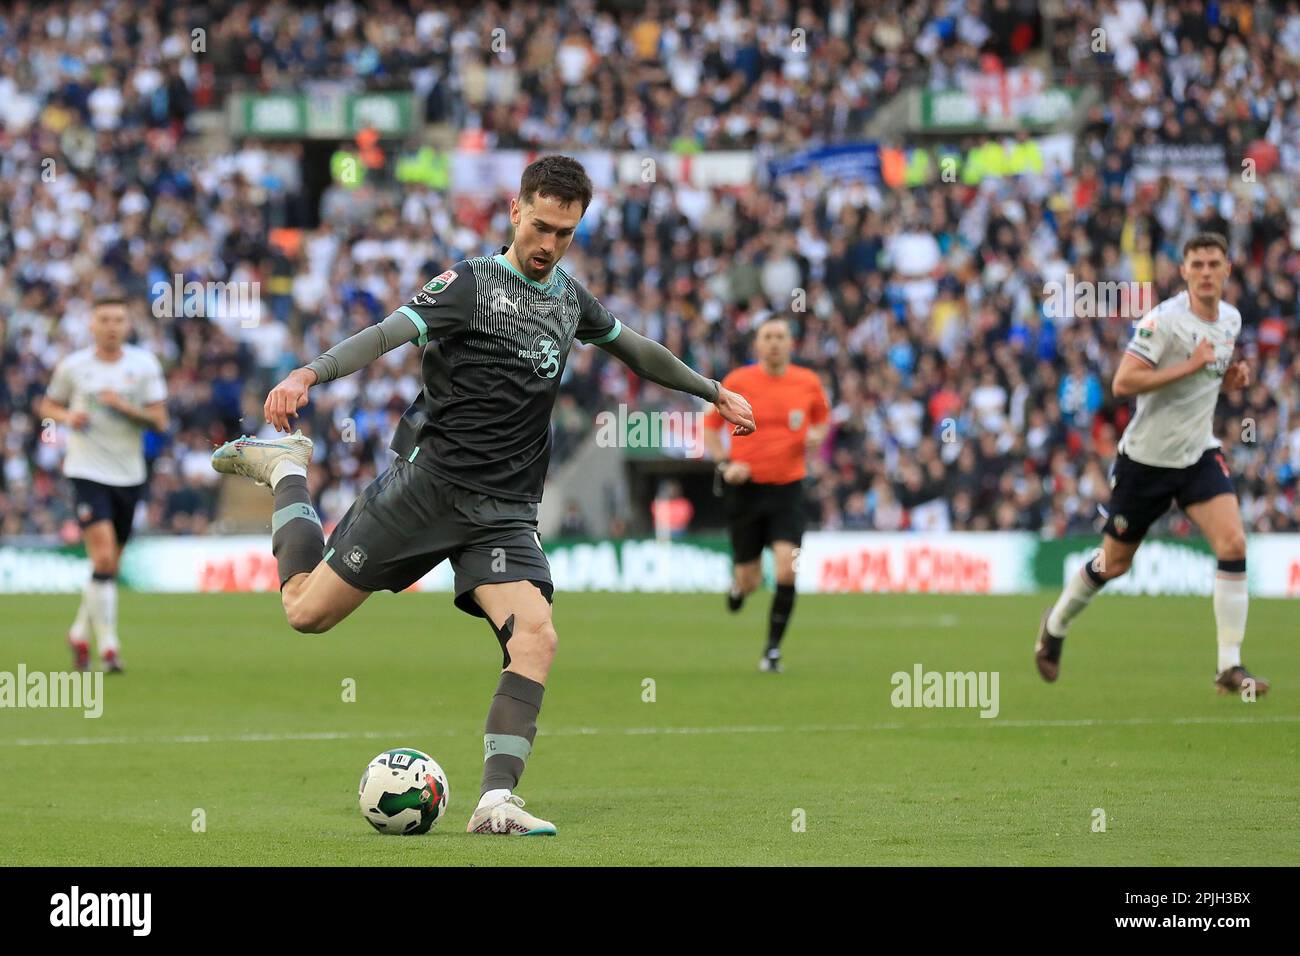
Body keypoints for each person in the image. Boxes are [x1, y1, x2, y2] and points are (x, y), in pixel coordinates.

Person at [210, 155, 755, 835]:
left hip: (502, 513)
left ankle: (496, 802)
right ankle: (287, 471)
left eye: (565, 232)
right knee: (304, 614)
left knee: (536, 636)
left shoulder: (567, 298)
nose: (549, 244)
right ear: (515, 210)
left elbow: (634, 347)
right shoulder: (470, 284)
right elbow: (388, 333)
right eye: (542, 226)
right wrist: (310, 373)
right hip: (426, 491)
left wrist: (711, 391)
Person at [1035, 233, 1268, 697]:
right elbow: (1123, 382)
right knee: (1113, 563)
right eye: (1196, 264)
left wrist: (1230, 378)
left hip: (1198, 454)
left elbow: (1205, 380)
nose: (1205, 272)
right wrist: (1193, 364)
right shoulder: (1163, 321)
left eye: (1213, 264)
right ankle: (1055, 625)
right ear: (1183, 271)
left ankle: (1229, 665)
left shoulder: (1231, 320)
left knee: (1233, 540)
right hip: (1146, 461)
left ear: (1227, 269)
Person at [37, 295, 169, 673]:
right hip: (86, 471)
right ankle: (110, 648)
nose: (111, 326)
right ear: (92, 326)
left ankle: (79, 633)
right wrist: (67, 416)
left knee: (107, 566)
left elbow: (160, 421)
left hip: (128, 475)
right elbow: (47, 407)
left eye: (118, 320)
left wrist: (125, 408)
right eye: (104, 319)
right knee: (104, 558)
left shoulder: (143, 366)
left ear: (128, 326)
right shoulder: (74, 366)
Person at [702, 317, 829, 673]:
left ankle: (772, 651)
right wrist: (726, 464)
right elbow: (710, 428)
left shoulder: (808, 382)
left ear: (792, 344)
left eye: (780, 337)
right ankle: (739, 588)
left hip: (789, 489)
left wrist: (817, 435)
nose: (774, 343)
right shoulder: (739, 381)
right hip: (746, 490)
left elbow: (821, 419)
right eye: (767, 337)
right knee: (751, 579)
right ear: (757, 345)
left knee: (787, 568)